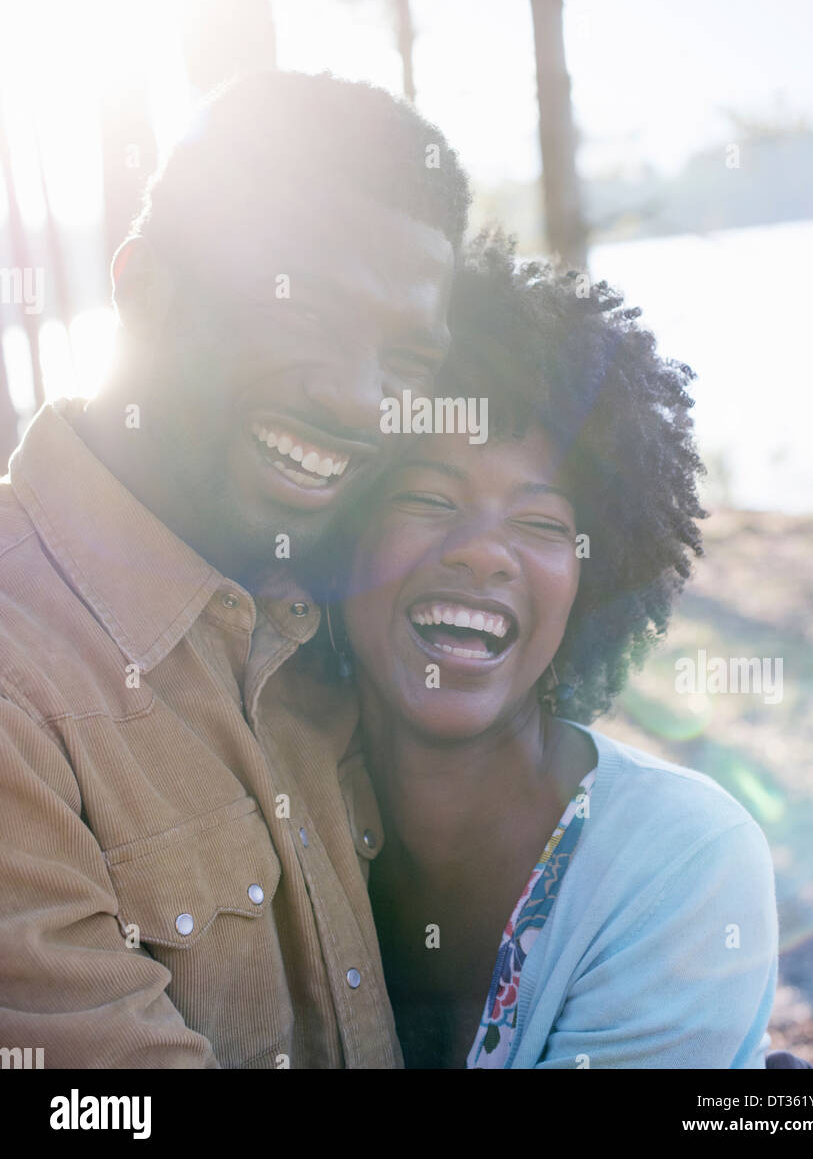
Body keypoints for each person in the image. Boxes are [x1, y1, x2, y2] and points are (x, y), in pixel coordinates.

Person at [0, 70, 469, 1068]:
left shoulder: (349, 608)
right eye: (306, 312)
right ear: (142, 286)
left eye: (406, 363)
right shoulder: (18, 680)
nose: (361, 402)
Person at [314, 233, 779, 1069]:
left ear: (588, 585)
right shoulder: (255, 812)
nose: (484, 552)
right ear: (342, 538)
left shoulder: (680, 862)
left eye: (540, 523)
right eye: (425, 496)